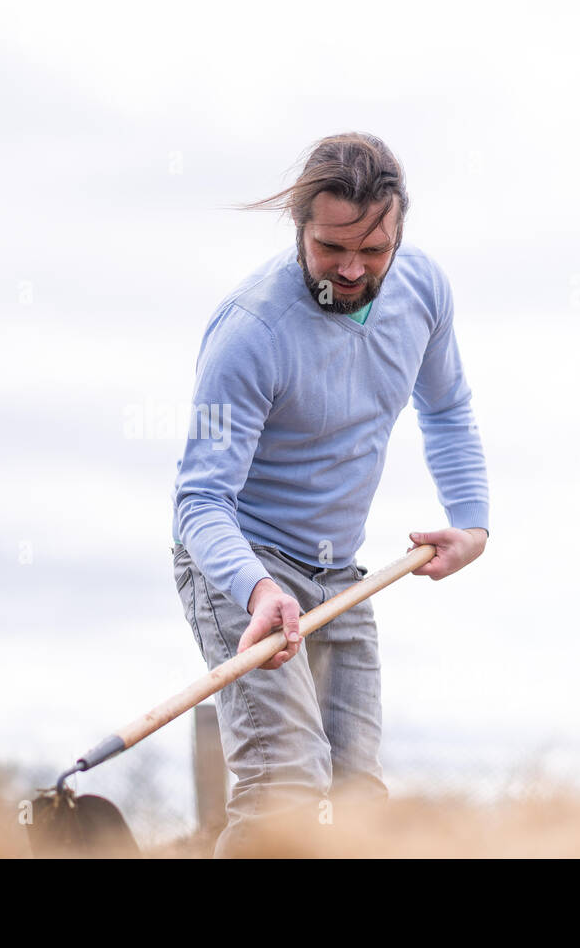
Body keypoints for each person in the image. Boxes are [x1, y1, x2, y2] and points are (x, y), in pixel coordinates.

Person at [170, 132, 490, 857]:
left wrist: (472, 523)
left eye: (373, 252)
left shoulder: (424, 292)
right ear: (300, 229)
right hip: (243, 568)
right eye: (330, 248)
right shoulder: (250, 332)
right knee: (286, 790)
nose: (350, 270)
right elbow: (200, 501)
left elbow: (446, 408)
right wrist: (257, 592)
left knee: (354, 806)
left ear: (399, 234)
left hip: (341, 574)